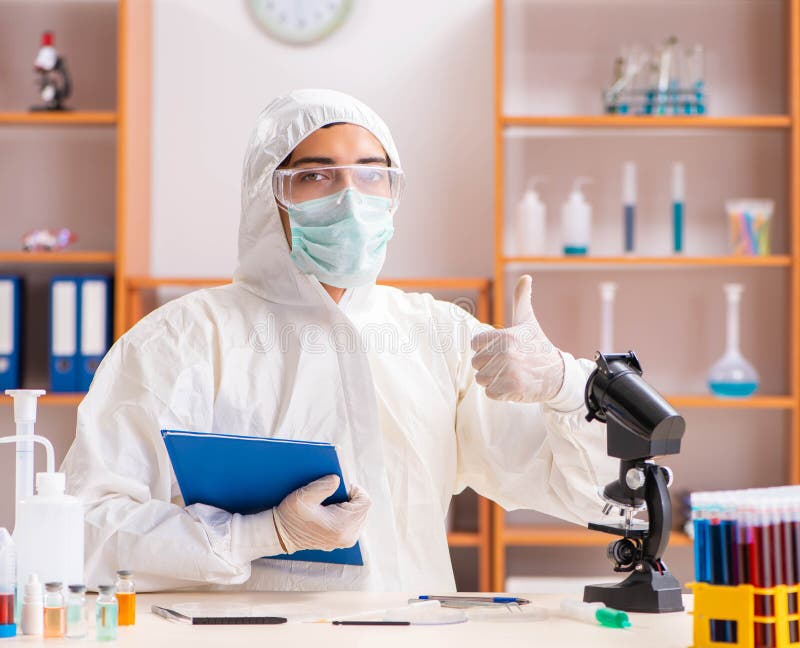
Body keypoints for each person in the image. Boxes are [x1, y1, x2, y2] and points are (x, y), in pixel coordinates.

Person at [61, 89, 616, 592]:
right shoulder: (182, 340)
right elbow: (84, 532)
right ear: (268, 196)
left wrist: (569, 387)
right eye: (317, 176)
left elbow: (599, 501)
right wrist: (262, 534)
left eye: (372, 175)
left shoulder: (440, 335)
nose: (352, 199)